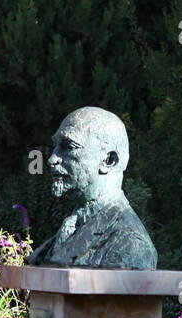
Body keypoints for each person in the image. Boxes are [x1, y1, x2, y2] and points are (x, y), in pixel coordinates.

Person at [28, 106, 156, 270]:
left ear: (108, 160)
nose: (52, 159)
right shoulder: (74, 226)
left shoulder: (131, 244)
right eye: (56, 146)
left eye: (69, 147)